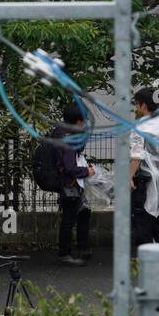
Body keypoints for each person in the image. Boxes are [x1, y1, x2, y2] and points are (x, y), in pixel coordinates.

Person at [51, 101, 95, 265]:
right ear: (78, 121)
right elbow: (70, 167)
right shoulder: (68, 138)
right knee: (69, 218)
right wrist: (86, 172)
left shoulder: (59, 132)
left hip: (67, 181)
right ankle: (65, 253)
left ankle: (83, 249)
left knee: (83, 213)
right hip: (70, 182)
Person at [130, 87, 159, 245]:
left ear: (142, 105)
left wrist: (129, 177)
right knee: (156, 216)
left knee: (142, 219)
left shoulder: (141, 126)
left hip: (144, 178)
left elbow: (136, 155)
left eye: (137, 104)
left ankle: (147, 257)